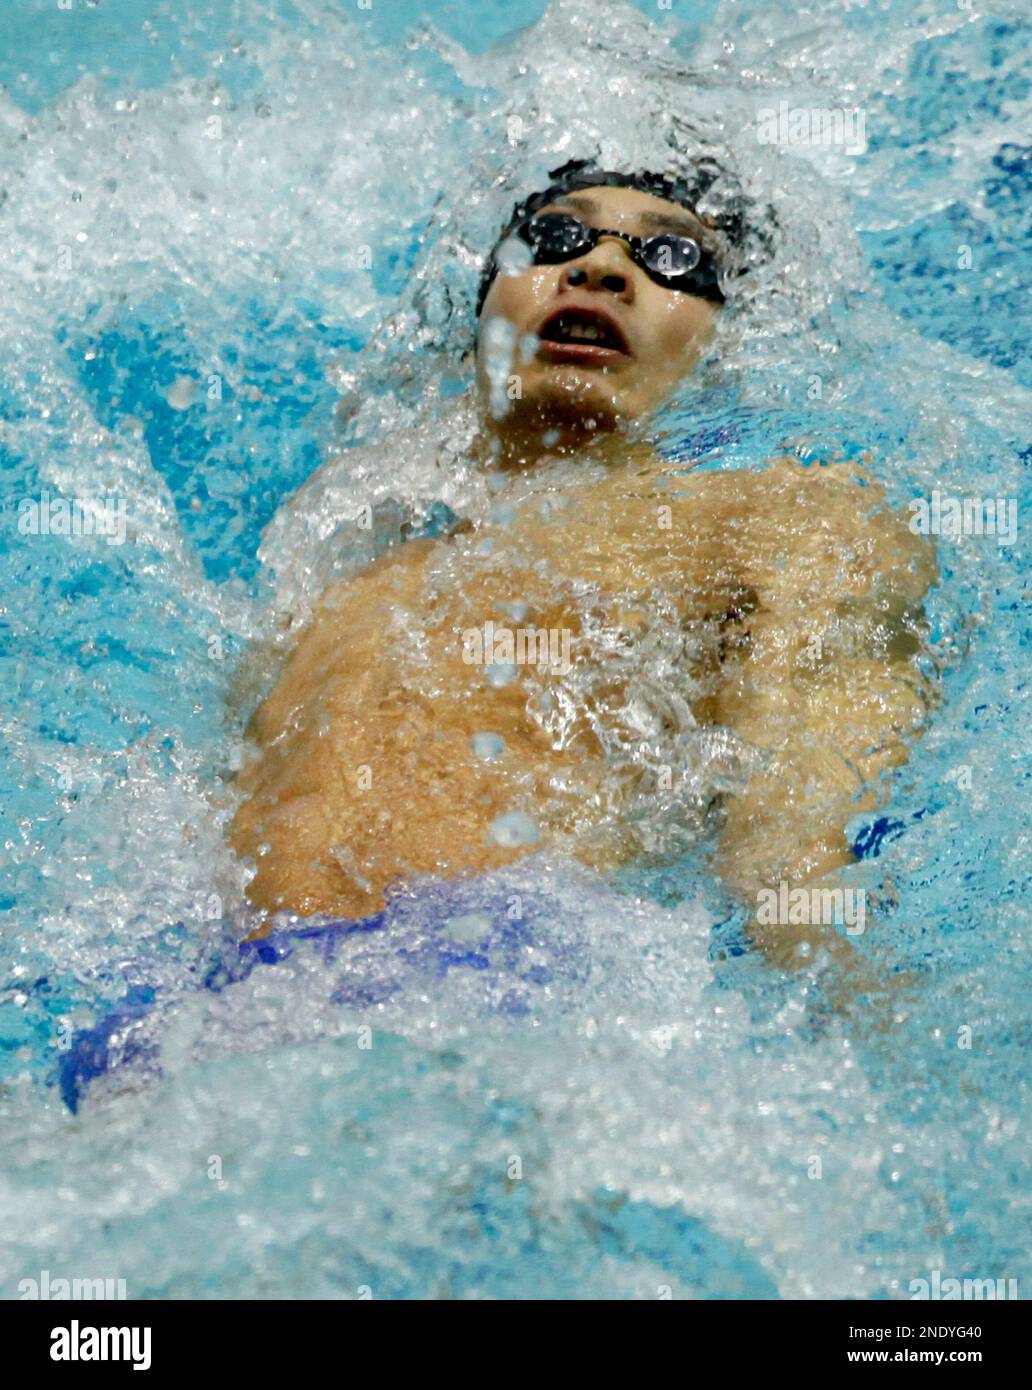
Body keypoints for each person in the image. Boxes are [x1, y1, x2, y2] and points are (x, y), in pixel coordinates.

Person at [230, 162, 936, 984]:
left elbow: (794, 830)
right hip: (211, 986)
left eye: (675, 259)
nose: (601, 268)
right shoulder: (350, 574)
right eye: (556, 236)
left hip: (477, 980)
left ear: (724, 348)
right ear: (484, 307)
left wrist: (852, 1010)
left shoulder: (778, 520)